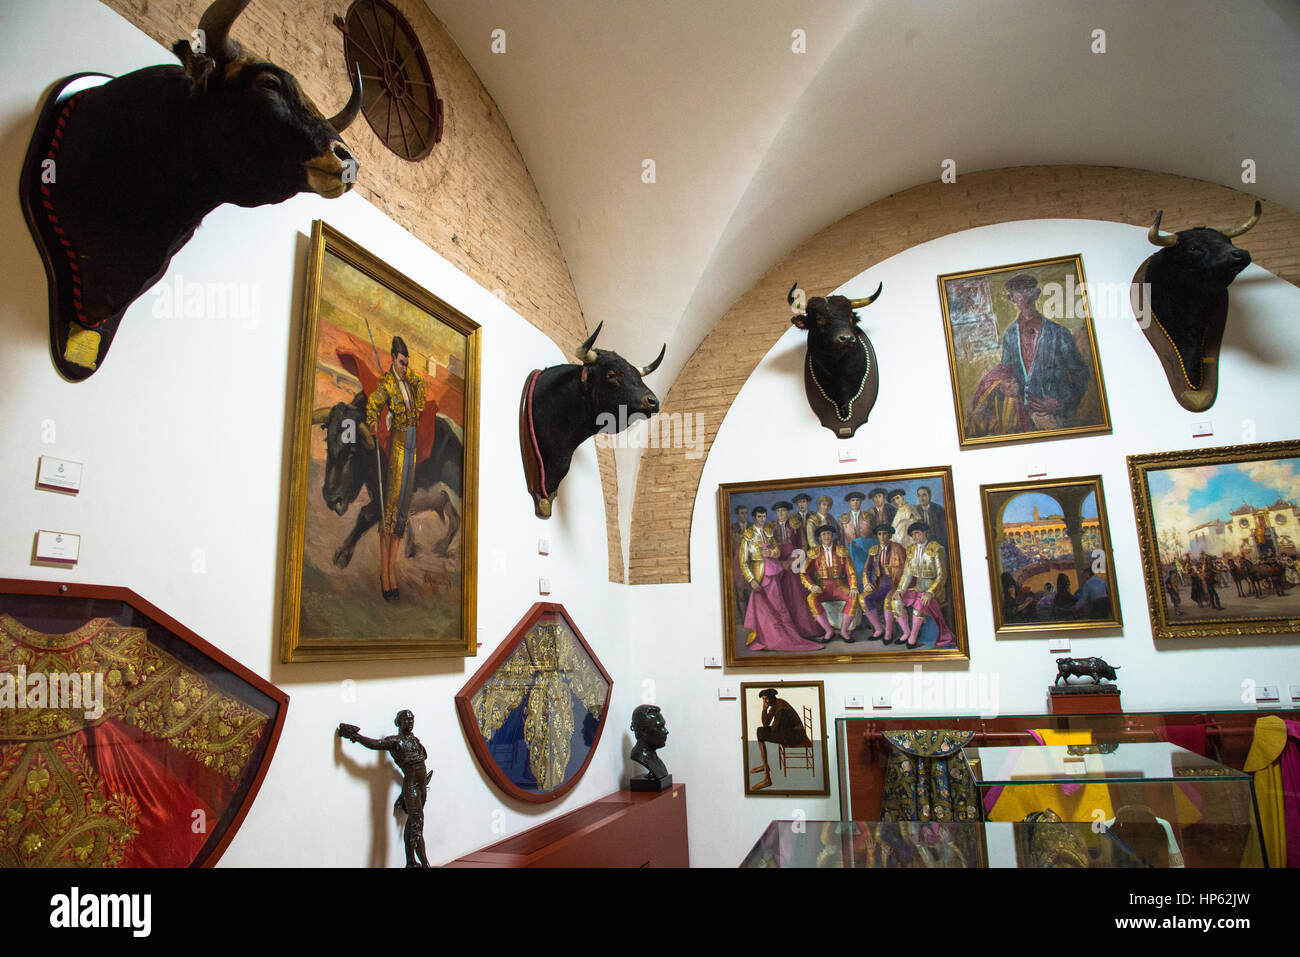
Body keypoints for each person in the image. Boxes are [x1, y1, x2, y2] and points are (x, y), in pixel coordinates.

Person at [365, 335, 426, 601]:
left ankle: (392, 569)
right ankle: (385, 572)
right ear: (393, 358)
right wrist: (372, 420)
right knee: (390, 507)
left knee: (402, 507)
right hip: (400, 445)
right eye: (401, 363)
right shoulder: (388, 382)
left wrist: (410, 378)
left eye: (406, 364)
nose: (404, 367)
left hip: (411, 446)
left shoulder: (409, 380)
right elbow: (373, 403)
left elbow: (420, 390)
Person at [338, 710, 432, 868]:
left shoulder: (415, 741)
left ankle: (410, 862)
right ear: (399, 722)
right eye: (406, 720)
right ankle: (425, 864)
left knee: (412, 823)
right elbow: (375, 744)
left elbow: (423, 760)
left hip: (422, 786)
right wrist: (357, 737)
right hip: (412, 786)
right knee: (417, 823)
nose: (410, 722)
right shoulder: (395, 742)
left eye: (412, 720)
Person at [997, 273, 1090, 431]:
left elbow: (1081, 373)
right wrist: (1005, 386)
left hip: (1056, 419)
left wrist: (1061, 403)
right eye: (1017, 292)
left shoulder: (1059, 333)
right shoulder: (1010, 335)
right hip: (1021, 419)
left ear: (1037, 294)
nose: (1023, 295)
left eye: (1027, 289)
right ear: (1011, 299)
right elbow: (1006, 372)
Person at [739, 507, 824, 652]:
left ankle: (779, 638)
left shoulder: (768, 532)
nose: (762, 519)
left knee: (777, 607)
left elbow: (777, 551)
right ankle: (765, 638)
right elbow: (743, 561)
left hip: (773, 573)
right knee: (762, 610)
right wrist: (751, 580)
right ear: (754, 518)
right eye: (759, 517)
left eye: (764, 516)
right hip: (759, 577)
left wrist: (771, 552)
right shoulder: (748, 535)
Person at [895, 522, 957, 649]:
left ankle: (912, 640)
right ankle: (907, 633)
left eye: (917, 533)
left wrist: (930, 592)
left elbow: (942, 575)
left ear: (925, 533)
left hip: (934, 589)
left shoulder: (936, 548)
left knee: (919, 604)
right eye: (913, 534)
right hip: (918, 588)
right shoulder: (911, 550)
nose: (915, 537)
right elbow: (907, 573)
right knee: (896, 602)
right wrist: (900, 589)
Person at [800, 525, 860, 642]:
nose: (827, 537)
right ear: (820, 538)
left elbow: (850, 571)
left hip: (839, 586)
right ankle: (829, 631)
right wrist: (811, 586)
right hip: (822, 587)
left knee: (854, 597)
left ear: (832, 536)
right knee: (811, 599)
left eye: (828, 534)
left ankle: (843, 631)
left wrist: (853, 586)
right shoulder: (814, 552)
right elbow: (803, 573)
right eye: (824, 535)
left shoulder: (841, 551)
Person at [749, 688, 813, 791]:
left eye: (766, 699)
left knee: (761, 734)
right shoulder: (776, 703)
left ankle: (767, 779)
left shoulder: (781, 709)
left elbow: (774, 730)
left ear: (771, 698)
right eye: (763, 700)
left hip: (795, 736)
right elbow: (765, 723)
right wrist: (764, 709)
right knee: (760, 731)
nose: (764, 702)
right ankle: (765, 766)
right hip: (788, 731)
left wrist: (768, 718)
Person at [861, 522, 907, 643]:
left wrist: (899, 586)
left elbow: (905, 570)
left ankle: (888, 632)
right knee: (864, 598)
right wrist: (867, 583)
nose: (882, 537)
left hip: (895, 583)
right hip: (880, 584)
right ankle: (878, 629)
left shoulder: (898, 548)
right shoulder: (874, 550)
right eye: (879, 534)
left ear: (890, 535)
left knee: (888, 601)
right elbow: (867, 568)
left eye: (885, 534)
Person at [629, 704, 670, 783]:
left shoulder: (656, 760)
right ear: (643, 730)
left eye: (663, 726)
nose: (666, 731)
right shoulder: (639, 756)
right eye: (659, 727)